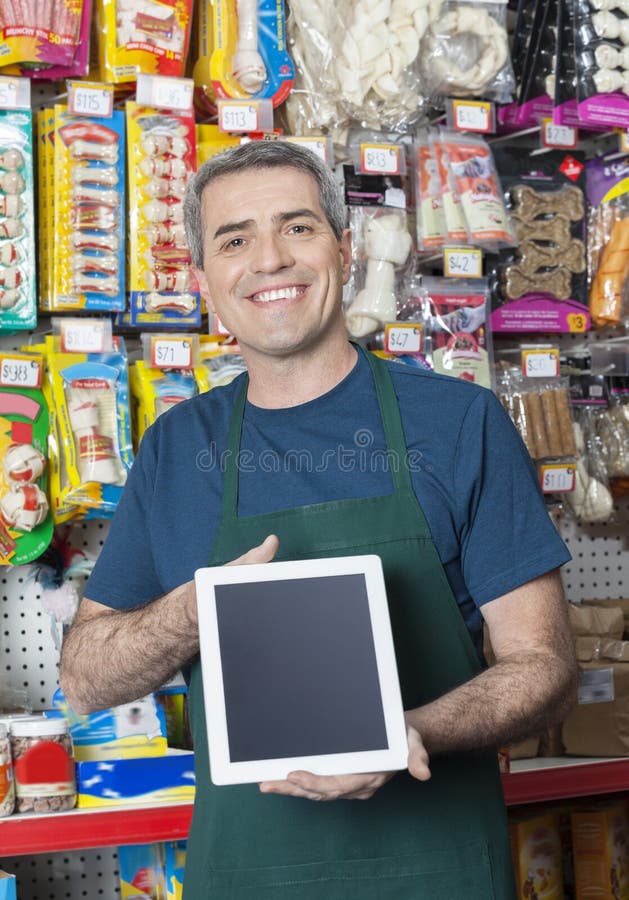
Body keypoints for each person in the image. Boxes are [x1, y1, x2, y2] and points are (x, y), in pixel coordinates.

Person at [60, 141, 577, 899]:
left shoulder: (459, 421)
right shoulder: (176, 447)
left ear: (341, 248)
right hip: (248, 876)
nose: (268, 260)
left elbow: (546, 669)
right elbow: (83, 677)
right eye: (234, 240)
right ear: (205, 282)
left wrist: (409, 735)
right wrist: (192, 614)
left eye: (296, 228)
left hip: (434, 873)